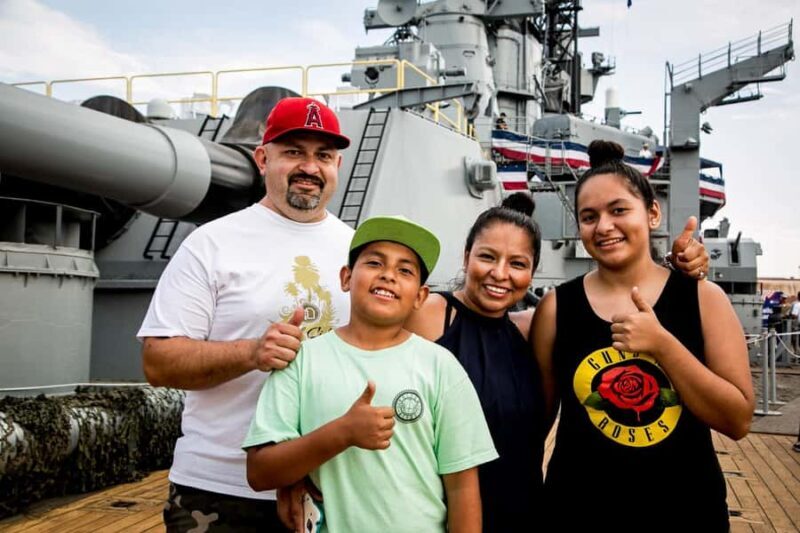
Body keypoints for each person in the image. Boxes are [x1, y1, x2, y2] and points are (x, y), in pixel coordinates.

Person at [279, 192, 710, 532]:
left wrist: (675, 269)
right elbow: (346, 379)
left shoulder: (533, 326)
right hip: (434, 513)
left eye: (518, 264)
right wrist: (294, 474)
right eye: (487, 257)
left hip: (521, 510)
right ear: (466, 259)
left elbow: (609, 310)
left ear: (533, 273)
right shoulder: (428, 314)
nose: (500, 274)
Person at [138, 96, 354, 532]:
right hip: (220, 491)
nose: (309, 167)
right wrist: (252, 353)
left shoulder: (359, 251)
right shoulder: (211, 244)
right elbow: (158, 362)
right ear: (262, 158)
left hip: (329, 488)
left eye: (323, 156)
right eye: (293, 151)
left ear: (337, 166)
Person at [532, 140, 754, 530]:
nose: (604, 226)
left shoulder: (703, 299)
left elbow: (737, 420)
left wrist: (662, 344)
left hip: (684, 511)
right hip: (575, 512)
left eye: (619, 210)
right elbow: (537, 423)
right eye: (589, 216)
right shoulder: (556, 307)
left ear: (652, 213)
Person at [244, 215, 498, 532]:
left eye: (405, 270)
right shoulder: (301, 360)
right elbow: (260, 473)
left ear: (420, 296)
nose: (388, 275)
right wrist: (343, 433)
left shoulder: (441, 367)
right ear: (347, 277)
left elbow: (462, 487)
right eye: (375, 263)